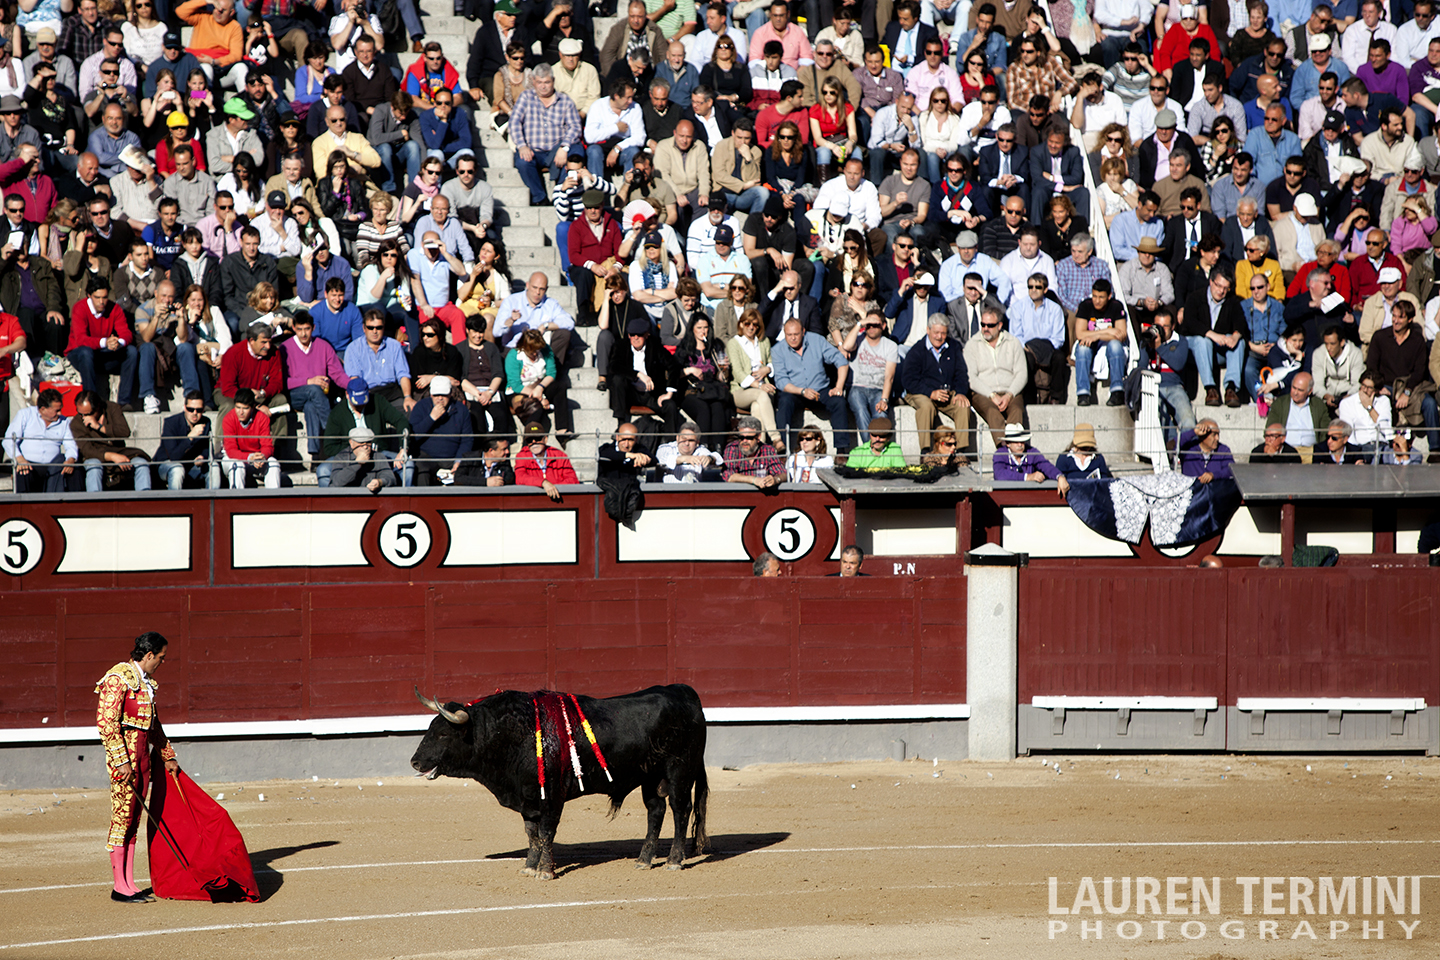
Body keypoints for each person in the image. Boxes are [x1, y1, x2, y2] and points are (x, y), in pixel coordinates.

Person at [95, 631, 178, 904]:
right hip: (126, 762)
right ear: (150, 655)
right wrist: (121, 761)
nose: (162, 663)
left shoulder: (145, 684)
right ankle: (120, 886)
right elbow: (107, 725)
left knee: (133, 819)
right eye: (161, 658)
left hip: (142, 760)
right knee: (122, 817)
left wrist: (167, 755)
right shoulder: (118, 678)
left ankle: (129, 882)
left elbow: (153, 725)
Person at [963, 304, 1026, 445]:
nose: (985, 328)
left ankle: (1015, 449)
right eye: (983, 324)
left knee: (1016, 410)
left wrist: (1009, 395)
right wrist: (992, 395)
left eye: (990, 325)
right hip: (983, 393)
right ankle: (1004, 450)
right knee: (992, 412)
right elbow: (971, 377)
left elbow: (1022, 373)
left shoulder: (1013, 342)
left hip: (1010, 390)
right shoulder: (972, 344)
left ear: (999, 325)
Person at [71, 389, 151, 492]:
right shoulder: (76, 423)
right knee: (93, 466)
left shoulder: (112, 408)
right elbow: (87, 450)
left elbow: (124, 432)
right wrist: (112, 456)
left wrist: (100, 427)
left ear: (98, 408)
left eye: (88, 414)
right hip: (97, 455)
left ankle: (144, 500)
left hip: (119, 451)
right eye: (81, 414)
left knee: (141, 463)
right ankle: (95, 501)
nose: (84, 417)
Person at [3, 385, 77, 492]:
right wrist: (19, 459)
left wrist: (71, 459)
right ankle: (24, 506)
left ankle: (53, 503)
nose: (60, 413)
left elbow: (71, 445)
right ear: (43, 409)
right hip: (28, 465)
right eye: (57, 410)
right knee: (21, 471)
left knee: (62, 461)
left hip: (53, 467)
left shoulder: (64, 422)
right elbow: (9, 440)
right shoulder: (25, 415)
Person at [407, 375, 473, 486]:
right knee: (422, 470)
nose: (440, 398)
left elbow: (467, 439)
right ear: (431, 394)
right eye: (436, 395)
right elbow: (413, 436)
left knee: (468, 468)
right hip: (427, 457)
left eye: (444, 395)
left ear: (450, 394)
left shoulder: (461, 410)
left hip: (452, 457)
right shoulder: (421, 407)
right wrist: (431, 418)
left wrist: (458, 461)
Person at [1073, 278, 1130, 406]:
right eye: (1094, 296)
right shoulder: (1085, 306)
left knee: (1115, 345)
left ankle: (1117, 391)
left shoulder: (1116, 306)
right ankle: (1083, 393)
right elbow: (1080, 334)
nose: (1096, 301)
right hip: (1091, 344)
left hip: (1108, 344)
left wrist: (1097, 336)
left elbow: (1121, 335)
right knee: (1082, 347)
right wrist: (1106, 333)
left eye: (1101, 297)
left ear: (1109, 296)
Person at [1264, 371, 1330, 463]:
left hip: (1311, 452)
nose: (1295, 393)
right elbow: (1270, 428)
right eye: (1294, 388)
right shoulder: (1280, 403)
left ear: (1309, 391)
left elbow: (1325, 432)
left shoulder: (1318, 405)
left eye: (1300, 390)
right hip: (1286, 451)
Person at [154, 392, 216, 490]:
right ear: (184, 408)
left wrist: (202, 456)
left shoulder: (205, 422)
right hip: (168, 464)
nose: (194, 413)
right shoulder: (171, 423)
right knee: (177, 469)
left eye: (198, 410)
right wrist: (190, 437)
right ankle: (175, 503)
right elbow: (174, 456)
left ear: (203, 410)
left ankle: (214, 502)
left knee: (214, 466)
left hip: (192, 465)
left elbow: (208, 448)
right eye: (190, 409)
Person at [221, 387, 281, 488]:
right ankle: (236, 501)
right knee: (237, 466)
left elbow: (268, 446)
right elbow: (231, 451)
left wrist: (262, 457)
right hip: (234, 458)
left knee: (274, 464)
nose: (241, 412)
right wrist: (250, 457)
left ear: (253, 407)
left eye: (245, 408)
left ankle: (273, 501)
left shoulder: (262, 418)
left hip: (257, 459)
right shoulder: (228, 418)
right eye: (238, 407)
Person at [514, 420, 578, 501]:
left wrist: (553, 488)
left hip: (558, 499)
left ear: (545, 439)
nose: (534, 442)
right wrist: (543, 483)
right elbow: (520, 478)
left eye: (537, 438)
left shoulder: (559, 455)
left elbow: (572, 480)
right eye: (529, 440)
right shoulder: (522, 456)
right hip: (532, 500)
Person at [722, 414, 786, 487]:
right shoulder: (732, 448)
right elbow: (728, 476)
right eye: (741, 437)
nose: (744, 441)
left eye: (749, 438)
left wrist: (775, 479)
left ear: (758, 437)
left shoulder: (768, 450)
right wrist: (754, 480)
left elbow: (783, 474)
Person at [655, 421, 723, 482]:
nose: (686, 443)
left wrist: (710, 458)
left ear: (697, 442)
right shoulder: (667, 448)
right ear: (677, 438)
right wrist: (684, 458)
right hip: (669, 492)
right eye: (684, 439)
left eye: (691, 440)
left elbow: (718, 458)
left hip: (694, 492)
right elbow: (660, 459)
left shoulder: (700, 450)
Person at [993, 422, 1058, 482]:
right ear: (1008, 443)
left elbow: (1046, 466)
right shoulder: (1000, 454)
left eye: (1022, 441)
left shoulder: (1031, 451)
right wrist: (1027, 477)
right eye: (1016, 442)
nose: (1020, 445)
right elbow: (999, 475)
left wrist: (1059, 476)